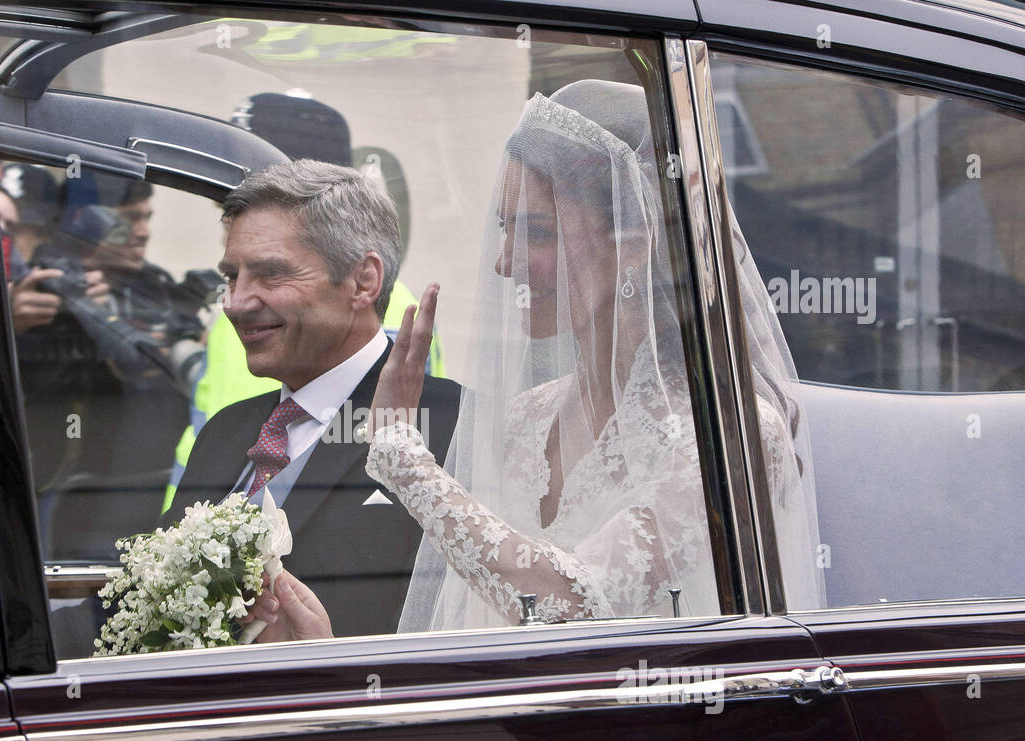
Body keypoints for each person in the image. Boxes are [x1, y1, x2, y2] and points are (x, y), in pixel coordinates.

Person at [248, 80, 824, 637]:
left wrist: (404, 458)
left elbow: (571, 605)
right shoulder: (527, 417)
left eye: (538, 234)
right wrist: (326, 654)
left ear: (634, 244)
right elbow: (470, 624)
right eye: (507, 231)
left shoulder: (731, 437)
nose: (507, 263)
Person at [165, 159, 460, 641]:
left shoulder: (450, 428)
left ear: (364, 281)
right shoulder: (224, 432)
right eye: (232, 277)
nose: (236, 303)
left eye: (271, 275)